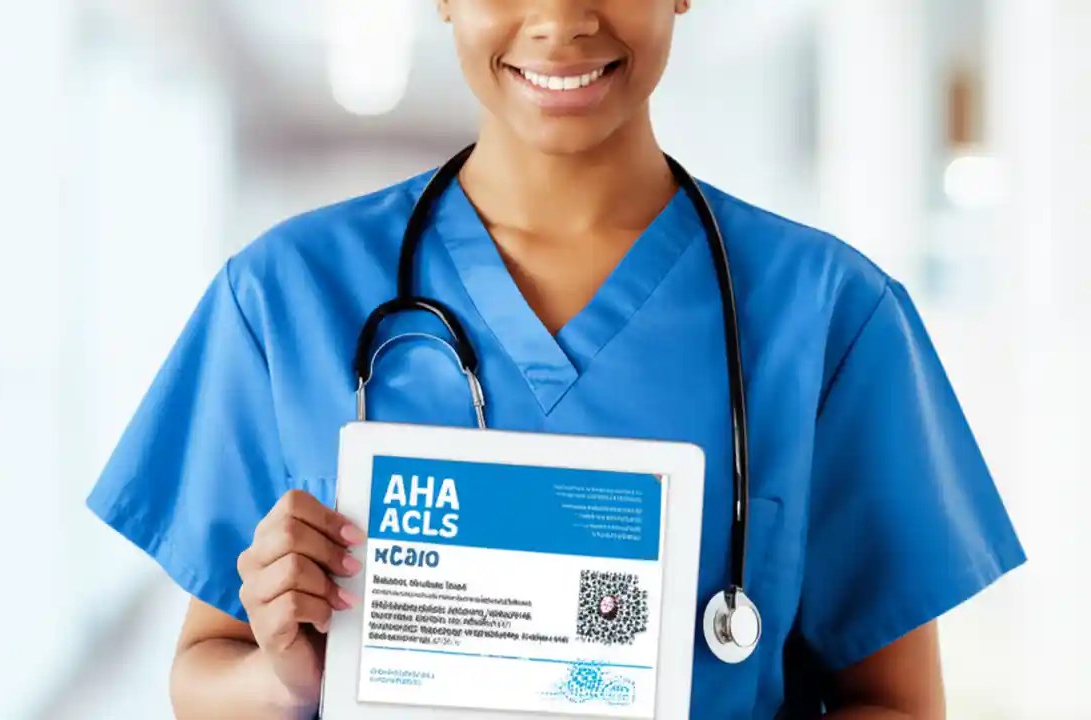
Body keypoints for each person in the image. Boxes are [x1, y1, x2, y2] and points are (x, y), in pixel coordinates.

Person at [85, 1, 1026, 717]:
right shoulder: (285, 294)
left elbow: (897, 701)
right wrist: (284, 675)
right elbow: (200, 672)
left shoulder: (828, 314)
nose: (563, 19)